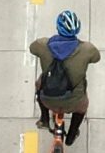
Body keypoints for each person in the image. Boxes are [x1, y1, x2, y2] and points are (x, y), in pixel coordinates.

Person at [31, 9, 99, 146]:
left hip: (48, 99)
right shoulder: (87, 49)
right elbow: (96, 58)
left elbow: (32, 49)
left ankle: (45, 118)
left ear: (57, 27)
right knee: (82, 106)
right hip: (74, 100)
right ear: (77, 28)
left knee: (39, 84)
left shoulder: (42, 44)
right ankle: (72, 134)